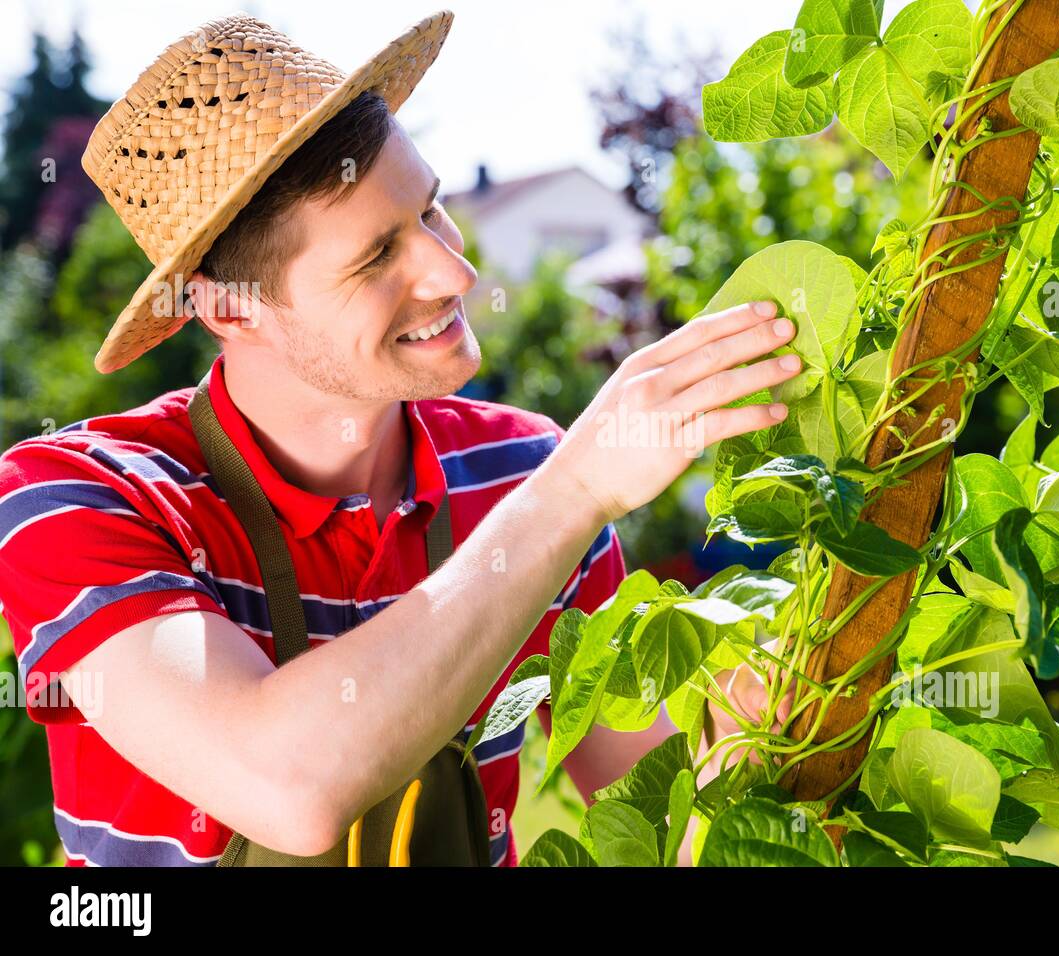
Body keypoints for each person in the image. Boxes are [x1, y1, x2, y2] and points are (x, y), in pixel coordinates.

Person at [0, 12, 802, 866]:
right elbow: (286, 785)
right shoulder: (77, 497)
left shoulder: (517, 470)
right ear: (231, 306)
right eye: (378, 255)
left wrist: (777, 710)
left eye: (431, 209)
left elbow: (671, 811)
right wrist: (570, 495)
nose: (454, 271)